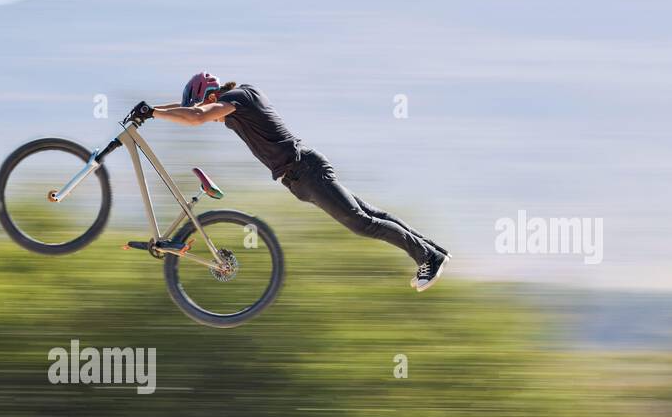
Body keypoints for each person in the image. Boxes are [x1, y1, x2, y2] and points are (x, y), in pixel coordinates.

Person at [146, 72, 450, 291]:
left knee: (362, 223)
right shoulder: (233, 105)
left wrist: (157, 114)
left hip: (306, 170)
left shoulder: (239, 98)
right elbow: (192, 110)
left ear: (211, 97)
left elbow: (197, 115)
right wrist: (151, 111)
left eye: (206, 106)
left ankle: (426, 258)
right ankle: (434, 251)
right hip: (300, 179)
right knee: (373, 216)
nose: (210, 118)